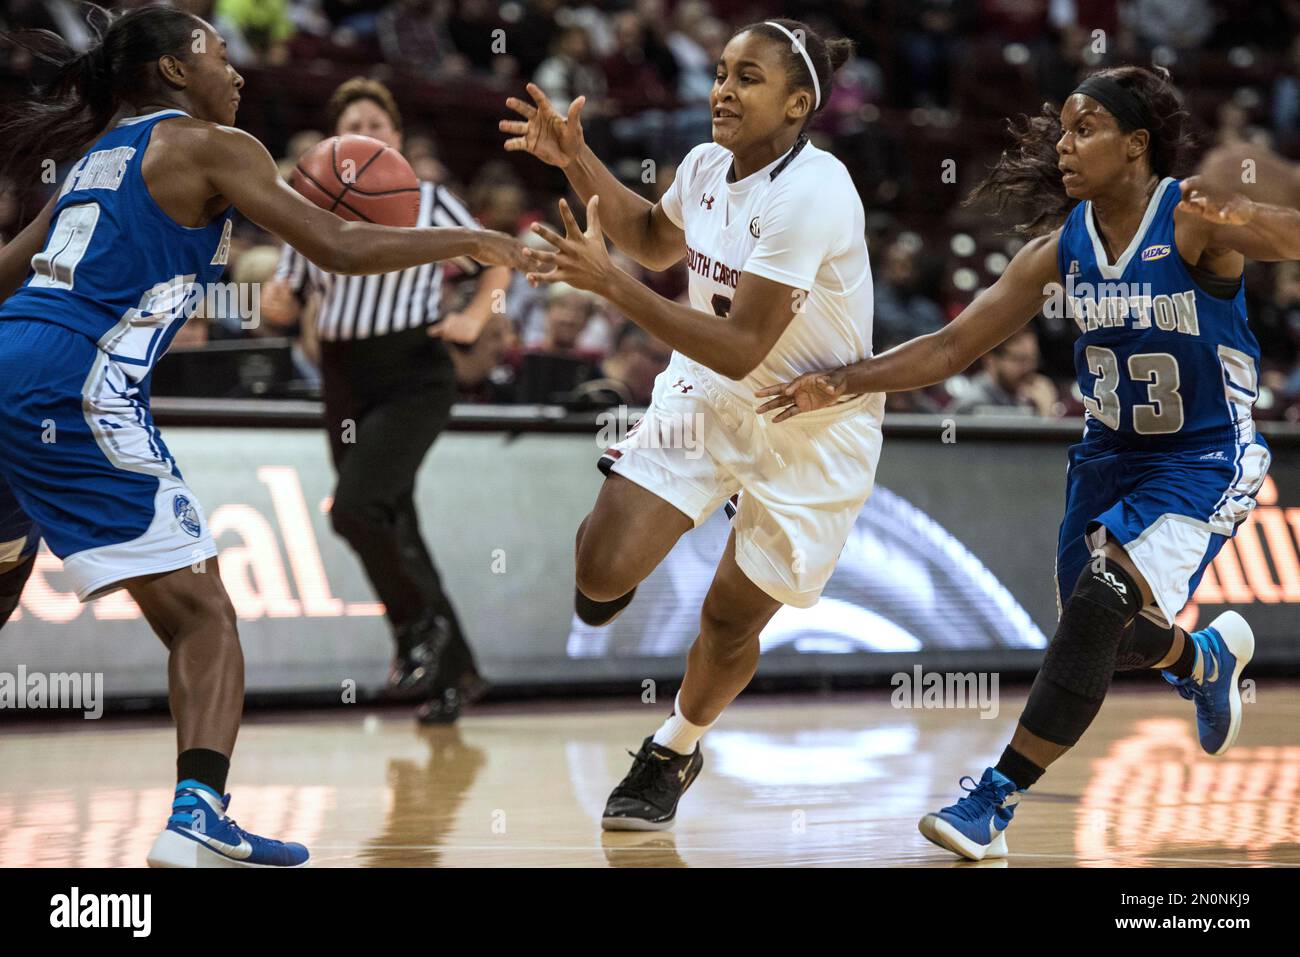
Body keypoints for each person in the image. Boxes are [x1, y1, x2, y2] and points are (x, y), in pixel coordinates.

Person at [0, 4, 528, 867]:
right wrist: (472, 237)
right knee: (204, 615)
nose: (237, 70)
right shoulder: (215, 145)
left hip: (7, 356)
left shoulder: (96, 157)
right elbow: (341, 244)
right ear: (174, 70)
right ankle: (197, 815)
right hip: (76, 380)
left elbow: (5, 273)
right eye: (216, 51)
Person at [756, 66, 1300, 860]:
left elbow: (1289, 239)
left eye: (1086, 130)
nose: (1065, 145)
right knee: (1106, 636)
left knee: (1098, 604)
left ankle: (994, 798)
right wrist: (841, 380)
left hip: (1202, 456)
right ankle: (1204, 657)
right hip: (1108, 459)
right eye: (1063, 129)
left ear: (1137, 145)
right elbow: (951, 345)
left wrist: (1252, 213)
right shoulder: (1062, 248)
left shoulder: (1189, 221)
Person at [502, 19, 884, 830]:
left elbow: (747, 344)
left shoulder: (816, 190)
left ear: (798, 103)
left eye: (747, 77)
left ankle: (675, 745)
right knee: (602, 572)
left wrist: (610, 286)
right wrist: (575, 158)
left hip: (811, 425)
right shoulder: (708, 165)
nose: (721, 89)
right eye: (718, 72)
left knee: (729, 618)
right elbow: (649, 236)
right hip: (709, 394)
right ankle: (652, 520)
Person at [264, 77, 508, 724]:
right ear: (332, 145)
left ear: (397, 140)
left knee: (354, 509)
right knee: (395, 525)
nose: (366, 134)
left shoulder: (428, 200)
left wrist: (474, 317)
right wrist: (276, 302)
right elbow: (285, 296)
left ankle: (418, 628)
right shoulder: (309, 211)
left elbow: (496, 261)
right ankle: (455, 672)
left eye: (377, 123)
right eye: (354, 125)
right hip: (344, 379)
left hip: (413, 372)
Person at [949, 326, 1058, 416]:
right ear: (990, 360)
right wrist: (1045, 414)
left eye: (1033, 359)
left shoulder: (1023, 398)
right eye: (1019, 360)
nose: (1029, 367)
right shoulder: (973, 404)